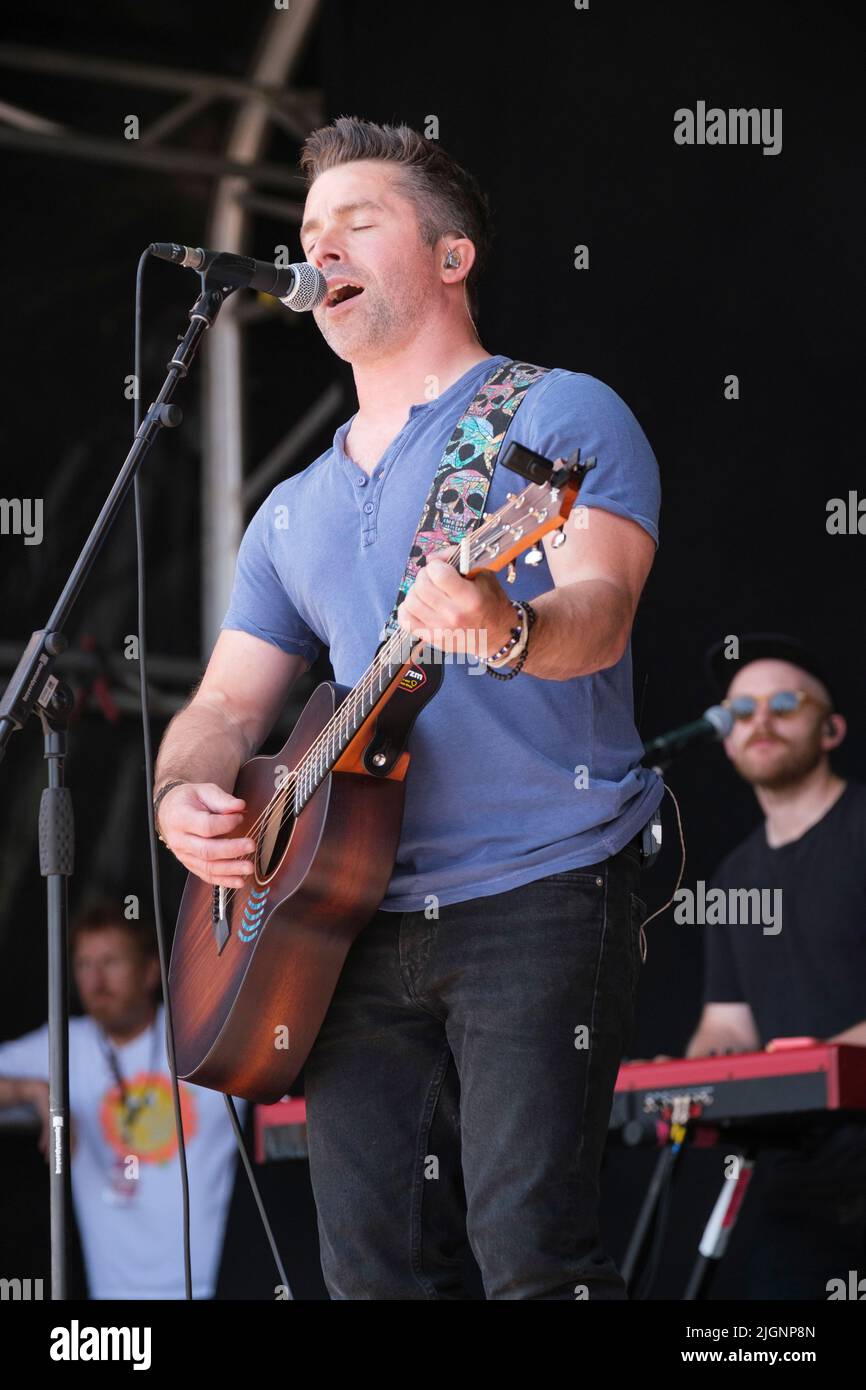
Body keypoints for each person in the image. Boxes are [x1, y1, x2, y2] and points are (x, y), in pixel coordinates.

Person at [153, 116, 663, 1299]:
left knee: (532, 1256)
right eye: (304, 232)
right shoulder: (288, 510)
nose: (316, 248)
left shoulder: (555, 416)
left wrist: (506, 625)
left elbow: (601, 606)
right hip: (344, 916)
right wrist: (187, 788)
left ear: (449, 257)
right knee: (372, 1274)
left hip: (538, 881)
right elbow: (227, 703)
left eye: (355, 223)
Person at [685, 634, 866, 1298]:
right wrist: (691, 1080)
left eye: (786, 703)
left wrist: (808, 1063)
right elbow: (726, 1024)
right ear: (726, 740)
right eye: (741, 712)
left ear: (831, 727)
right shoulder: (733, 877)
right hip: (795, 1173)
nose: (761, 721)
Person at [0, 897, 244, 1299]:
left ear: (150, 971)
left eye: (110, 962)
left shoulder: (201, 1029)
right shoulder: (67, 1044)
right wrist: (33, 1091)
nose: (95, 981)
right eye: (83, 965)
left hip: (220, 1288)